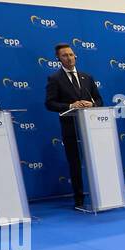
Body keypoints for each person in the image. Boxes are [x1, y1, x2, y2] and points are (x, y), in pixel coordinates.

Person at [44, 43, 103, 210]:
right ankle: (79, 199)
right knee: (75, 164)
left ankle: (100, 194)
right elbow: (49, 104)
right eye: (64, 55)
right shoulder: (55, 79)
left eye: (71, 54)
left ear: (75, 56)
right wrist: (71, 106)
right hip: (71, 128)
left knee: (96, 161)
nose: (69, 58)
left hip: (91, 127)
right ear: (58, 59)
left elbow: (99, 100)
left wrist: (91, 104)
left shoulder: (87, 77)